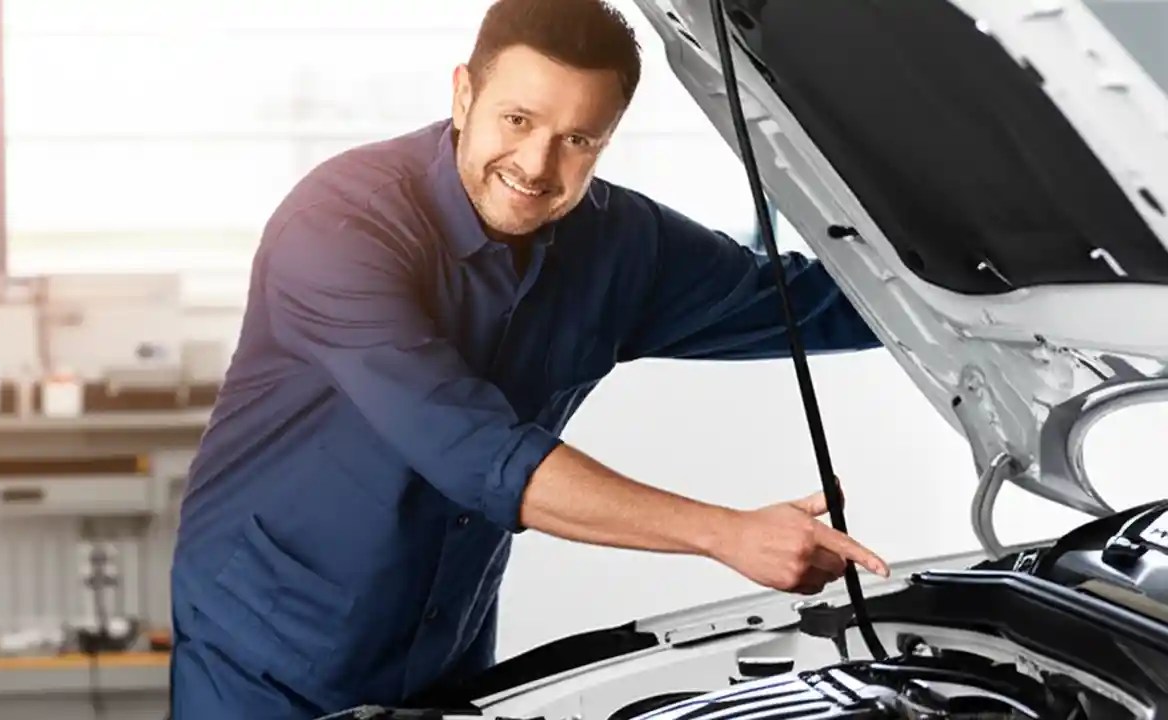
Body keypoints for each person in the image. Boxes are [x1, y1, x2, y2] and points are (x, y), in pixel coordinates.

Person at [168, 0, 889, 716]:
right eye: (518, 120)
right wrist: (726, 533)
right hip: (263, 660)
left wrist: (977, 273)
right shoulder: (338, 225)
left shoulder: (619, 244)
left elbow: (810, 304)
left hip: (442, 654)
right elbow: (479, 452)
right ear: (463, 94)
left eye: (579, 139)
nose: (538, 165)